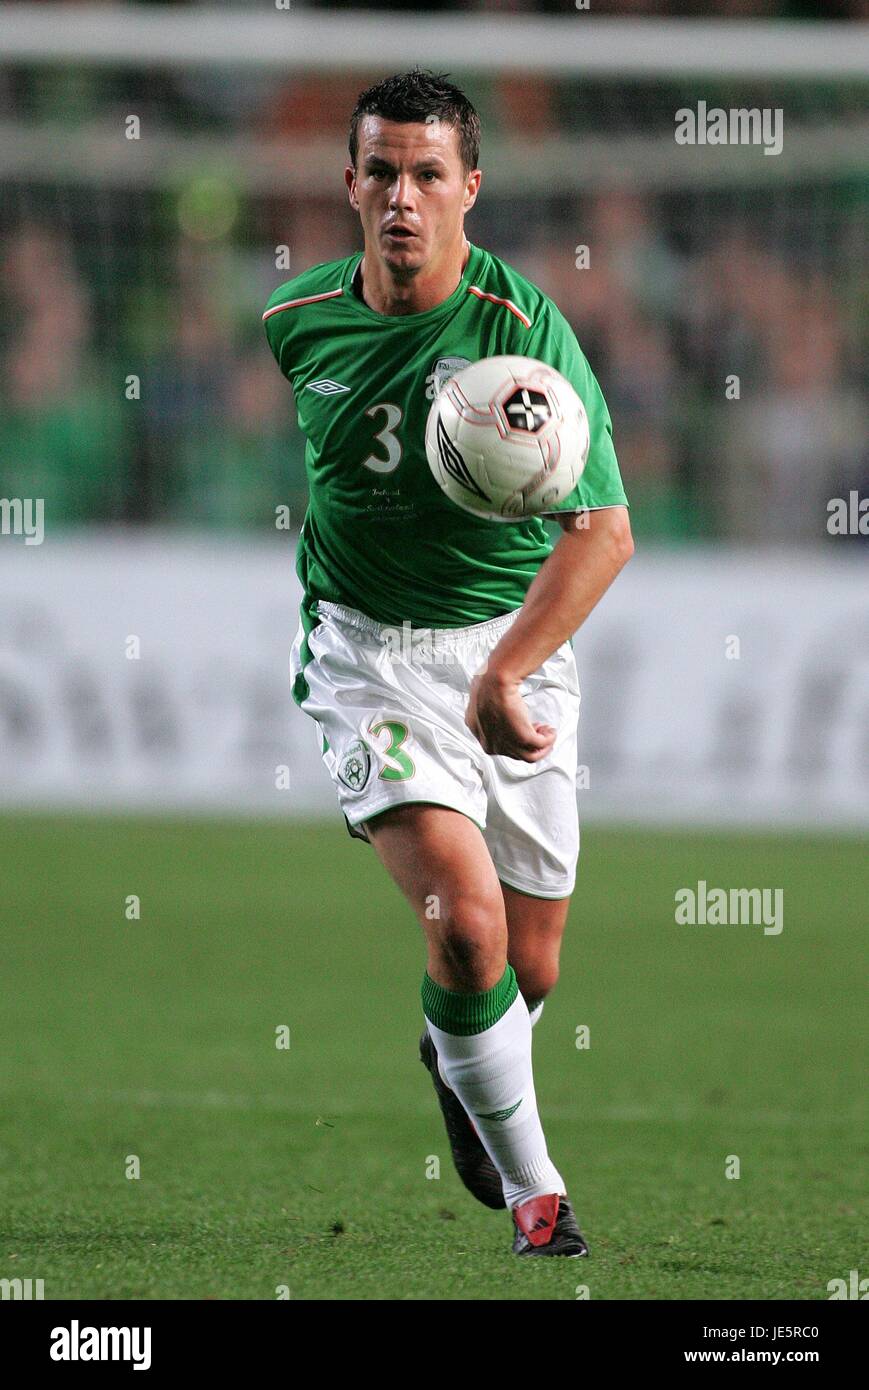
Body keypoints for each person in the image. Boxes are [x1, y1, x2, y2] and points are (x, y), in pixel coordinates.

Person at [263, 69, 633, 1257]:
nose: (403, 197)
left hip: (507, 656)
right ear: (349, 184)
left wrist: (503, 672)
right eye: (381, 171)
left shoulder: (524, 334)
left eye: (429, 173)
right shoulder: (294, 320)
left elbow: (603, 532)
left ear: (470, 186)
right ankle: (540, 1203)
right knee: (465, 926)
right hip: (369, 656)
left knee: (528, 969)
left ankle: (454, 1042)